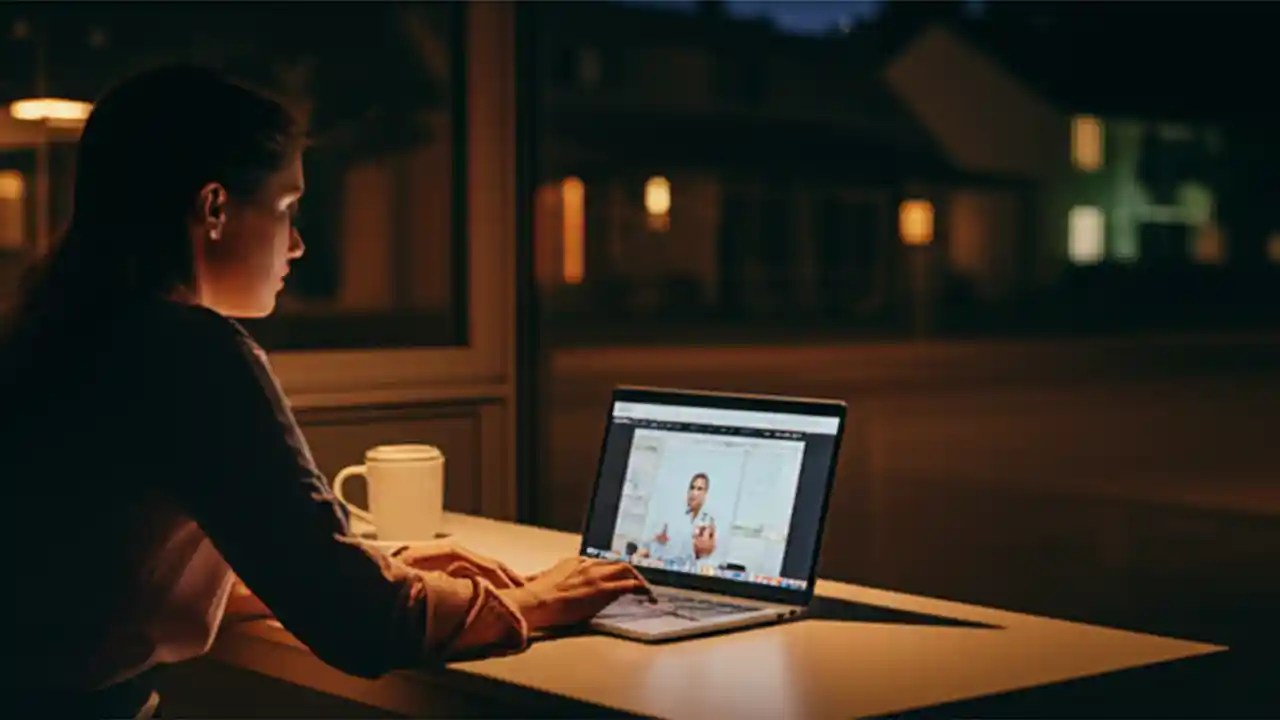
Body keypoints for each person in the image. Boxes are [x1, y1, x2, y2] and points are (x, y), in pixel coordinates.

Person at [0, 65, 647, 717]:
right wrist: (539, 600)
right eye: (287, 209)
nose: (300, 244)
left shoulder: (60, 330)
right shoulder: (188, 354)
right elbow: (358, 623)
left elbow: (119, 583)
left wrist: (385, 562)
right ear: (215, 209)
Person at [638, 473, 718, 569]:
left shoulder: (708, 523)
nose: (694, 493)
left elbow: (706, 556)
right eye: (692, 488)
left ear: (705, 494)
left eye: (699, 489)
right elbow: (652, 545)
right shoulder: (675, 517)